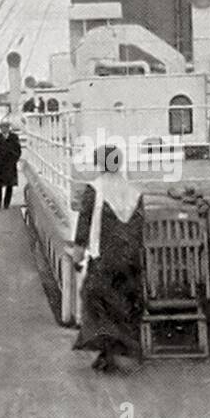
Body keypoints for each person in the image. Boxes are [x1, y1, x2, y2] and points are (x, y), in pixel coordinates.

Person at [69, 145, 145, 373]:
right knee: (122, 304)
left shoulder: (95, 189)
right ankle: (120, 349)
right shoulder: (134, 191)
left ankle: (106, 352)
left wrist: (78, 254)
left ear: (100, 164)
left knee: (95, 301)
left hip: (103, 258)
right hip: (128, 260)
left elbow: (84, 224)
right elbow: (139, 228)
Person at [0, 120, 22, 210]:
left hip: (10, 164)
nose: (4, 129)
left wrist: (14, 159)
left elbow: (18, 150)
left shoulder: (14, 137)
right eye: (2, 127)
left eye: (6, 127)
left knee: (9, 185)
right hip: (0, 164)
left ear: (8, 128)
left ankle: (6, 204)